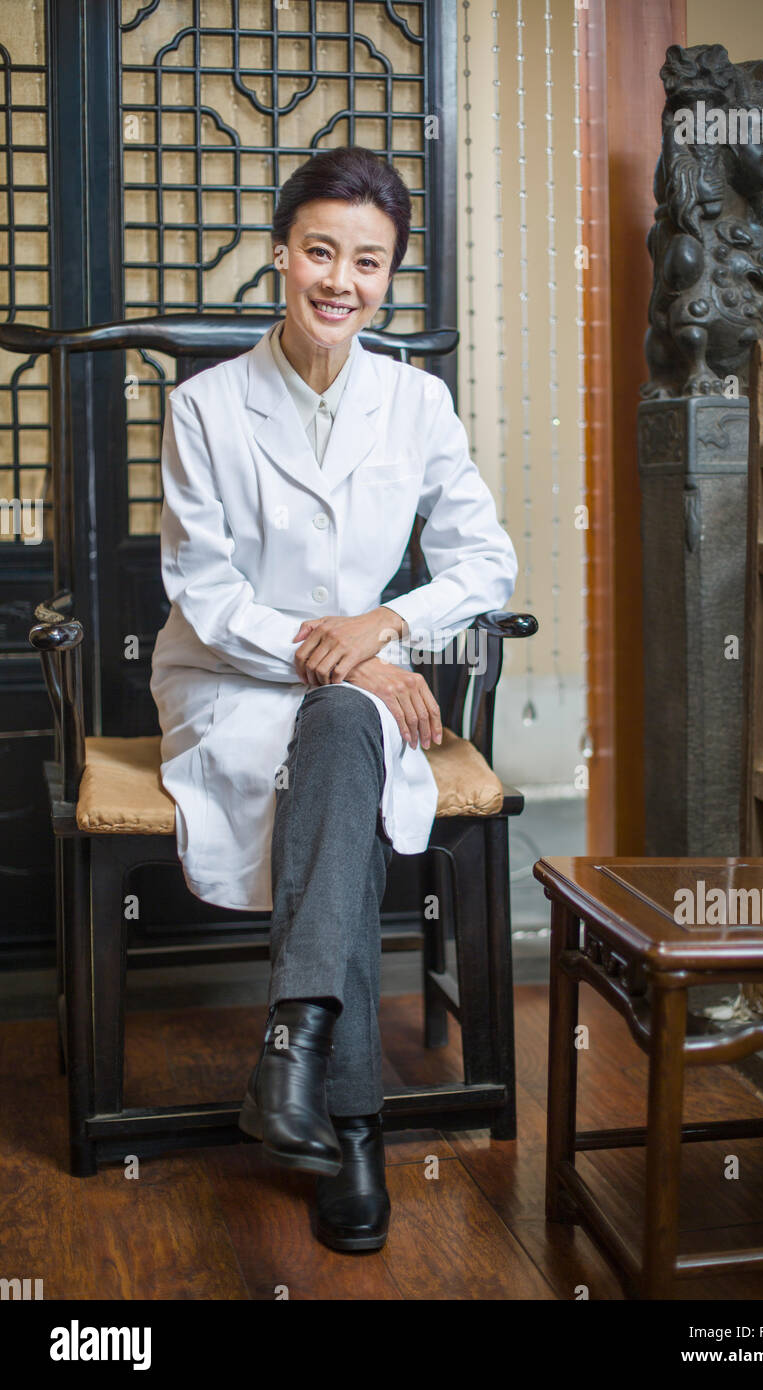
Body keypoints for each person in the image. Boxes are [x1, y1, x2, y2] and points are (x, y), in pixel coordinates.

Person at [149, 145, 518, 1253]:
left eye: (367, 261)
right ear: (280, 254)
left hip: (358, 699)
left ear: (389, 274)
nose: (340, 281)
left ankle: (297, 1049)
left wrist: (387, 625)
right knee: (347, 742)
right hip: (226, 683)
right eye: (320, 251)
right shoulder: (205, 407)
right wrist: (353, 658)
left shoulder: (416, 401)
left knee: (346, 739)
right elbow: (204, 596)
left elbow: (484, 564)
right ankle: (353, 1121)